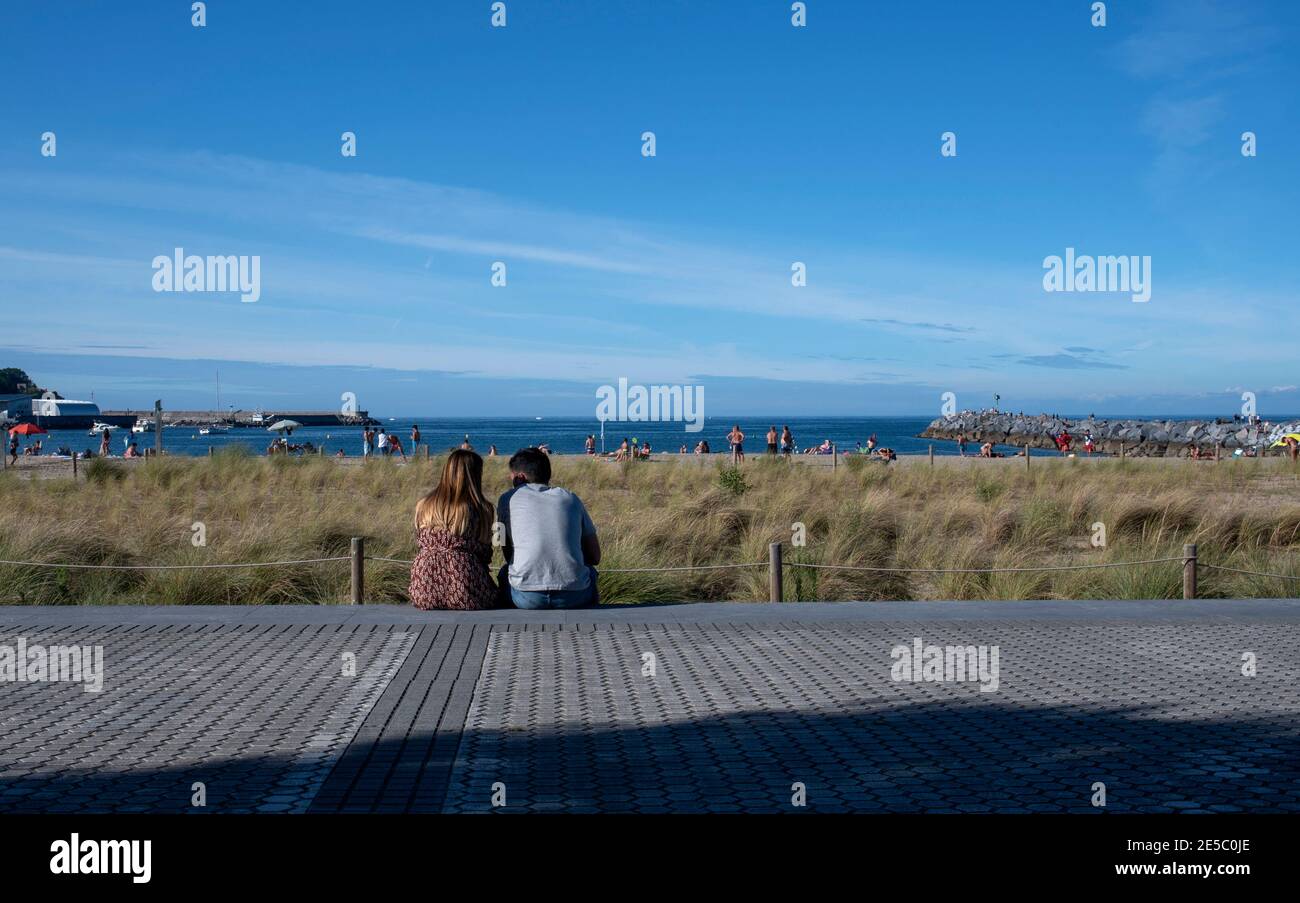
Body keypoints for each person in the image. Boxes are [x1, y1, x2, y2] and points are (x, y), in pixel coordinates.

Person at [497, 447, 600, 609]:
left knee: (504, 572)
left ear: (519, 477)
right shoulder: (570, 498)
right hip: (574, 595)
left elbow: (505, 551)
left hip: (526, 597)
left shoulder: (506, 499)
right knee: (591, 573)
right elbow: (595, 557)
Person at [409, 449, 499, 611]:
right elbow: (485, 554)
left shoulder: (424, 504)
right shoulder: (482, 508)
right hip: (465, 587)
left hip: (423, 588)